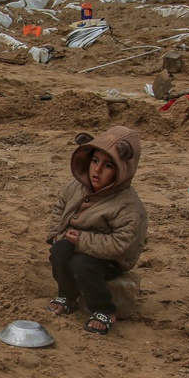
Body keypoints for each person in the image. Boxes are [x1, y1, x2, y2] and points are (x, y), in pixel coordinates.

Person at [45, 126, 147, 336]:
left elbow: (123, 244)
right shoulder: (77, 186)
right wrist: (57, 233)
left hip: (111, 258)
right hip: (76, 242)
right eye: (94, 161)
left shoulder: (127, 206)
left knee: (81, 263)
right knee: (59, 251)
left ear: (121, 170)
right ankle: (67, 295)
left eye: (107, 165)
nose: (97, 170)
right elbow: (60, 207)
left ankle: (104, 309)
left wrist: (83, 240)